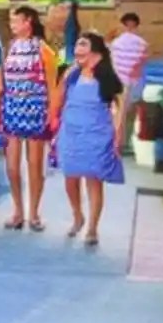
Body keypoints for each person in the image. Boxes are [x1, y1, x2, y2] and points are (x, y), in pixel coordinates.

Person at [0, 5, 61, 232]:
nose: (12, 25)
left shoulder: (43, 49)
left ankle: (34, 212)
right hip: (13, 110)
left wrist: (52, 116)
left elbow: (52, 86)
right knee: (12, 166)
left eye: (16, 21)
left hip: (36, 111)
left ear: (28, 22)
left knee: (35, 165)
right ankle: (18, 210)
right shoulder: (12, 47)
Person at [57, 32, 126, 246]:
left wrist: (118, 133)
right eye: (77, 44)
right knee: (70, 178)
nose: (78, 49)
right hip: (71, 132)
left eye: (83, 45)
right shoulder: (71, 74)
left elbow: (120, 105)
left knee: (94, 181)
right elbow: (58, 99)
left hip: (97, 133)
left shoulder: (107, 77)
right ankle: (77, 215)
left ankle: (93, 228)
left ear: (95, 52)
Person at [109, 13, 148, 157]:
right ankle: (126, 143)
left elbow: (113, 64)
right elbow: (141, 65)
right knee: (131, 114)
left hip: (118, 82)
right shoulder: (143, 44)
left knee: (117, 113)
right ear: (136, 25)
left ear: (123, 24)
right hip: (134, 83)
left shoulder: (116, 44)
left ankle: (115, 142)